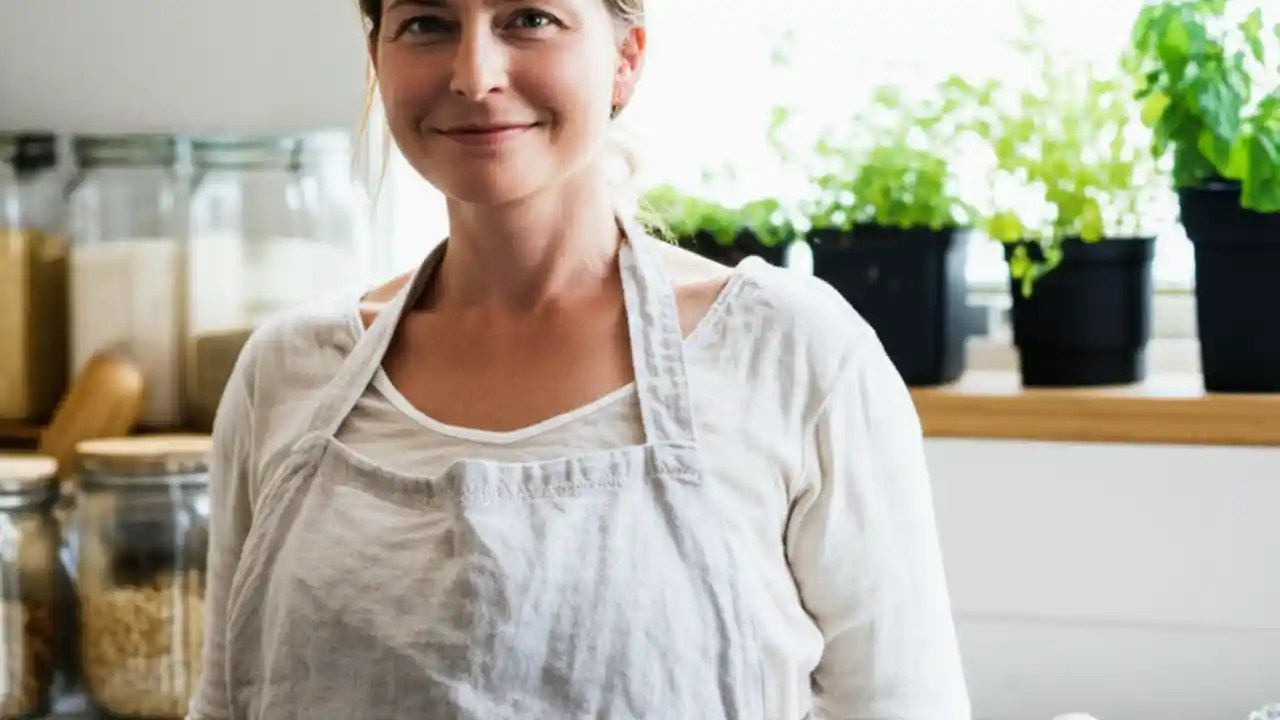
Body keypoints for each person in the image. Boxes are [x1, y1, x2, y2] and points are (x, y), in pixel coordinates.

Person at [187, 0, 971, 717]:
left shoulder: (790, 354)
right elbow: (225, 702)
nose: (474, 75)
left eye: (528, 18)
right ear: (377, 56)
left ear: (626, 57)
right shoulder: (288, 371)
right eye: (426, 22)